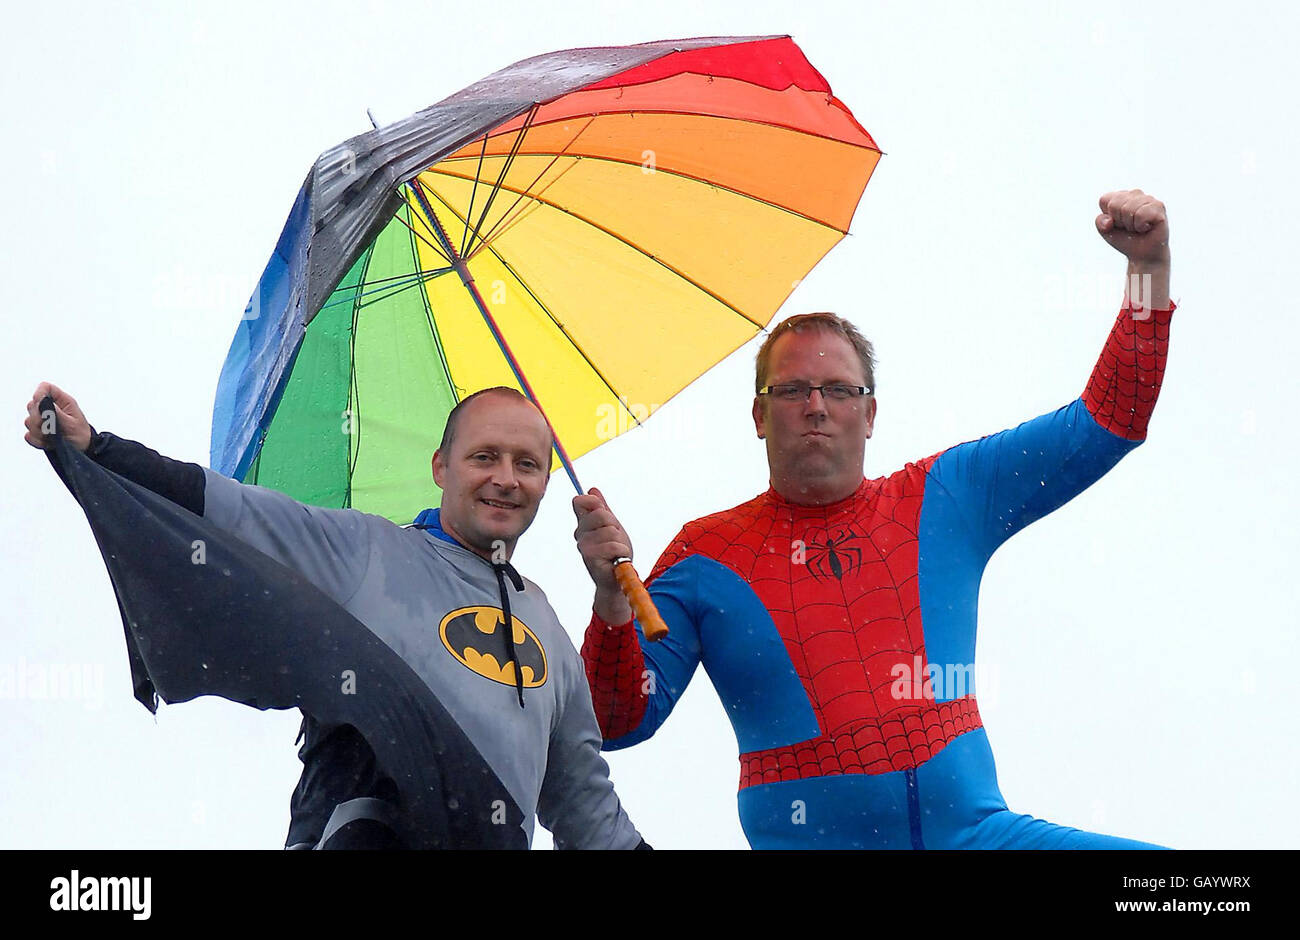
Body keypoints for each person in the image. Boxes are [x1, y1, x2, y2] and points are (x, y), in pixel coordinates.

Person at [574, 189, 1174, 849]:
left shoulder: (946, 494)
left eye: (839, 390)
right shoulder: (703, 556)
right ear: (757, 417)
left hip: (978, 837)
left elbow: (1108, 421)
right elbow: (614, 720)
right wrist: (612, 602)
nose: (816, 406)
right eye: (791, 391)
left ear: (871, 414)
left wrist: (1148, 269)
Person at [27, 384, 647, 850]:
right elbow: (229, 510)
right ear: (441, 468)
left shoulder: (548, 632)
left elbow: (586, 808)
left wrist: (612, 595)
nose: (505, 479)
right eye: (485, 457)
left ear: (545, 483)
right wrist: (96, 449)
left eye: (526, 464)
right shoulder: (367, 549)